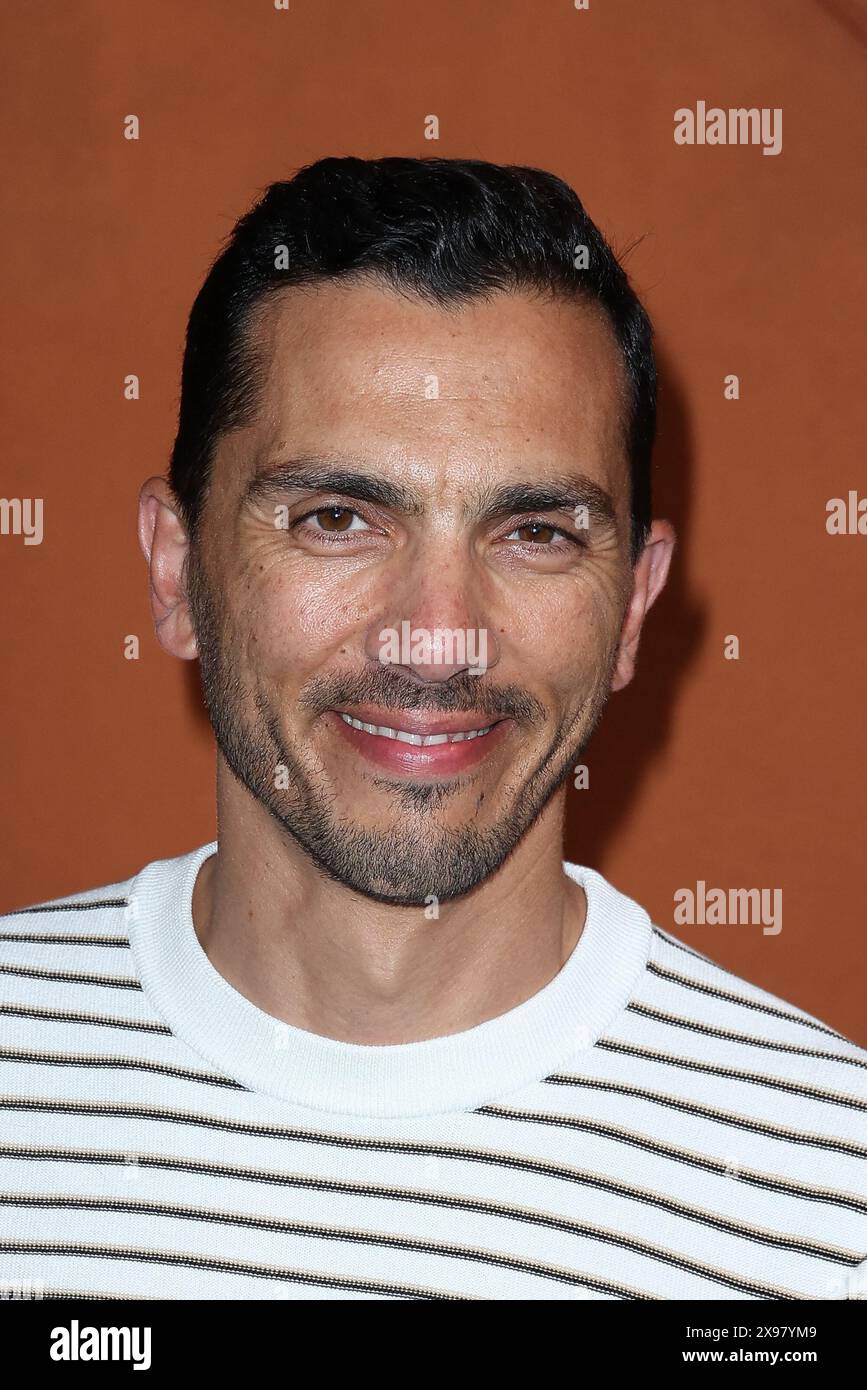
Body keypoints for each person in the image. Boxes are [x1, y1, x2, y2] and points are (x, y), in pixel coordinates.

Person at [2, 157, 864, 1301]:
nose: (436, 639)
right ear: (175, 570)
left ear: (633, 607)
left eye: (537, 533)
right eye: (339, 518)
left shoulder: (826, 1198)